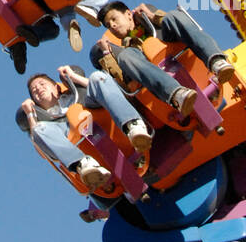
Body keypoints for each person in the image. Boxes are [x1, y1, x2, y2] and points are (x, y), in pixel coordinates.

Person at [92, 0, 235, 121]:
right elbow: (125, 83)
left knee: (173, 16)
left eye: (114, 19)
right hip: (159, 83)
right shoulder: (125, 51)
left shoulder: (150, 21)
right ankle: (176, 95)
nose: (113, 26)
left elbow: (178, 23)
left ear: (128, 14)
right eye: (109, 26)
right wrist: (107, 53)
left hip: (178, 54)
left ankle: (216, 62)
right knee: (126, 56)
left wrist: (153, 16)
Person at [18, 64, 153, 190]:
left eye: (42, 84)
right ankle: (83, 164)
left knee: (97, 77)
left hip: (104, 124)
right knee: (38, 129)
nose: (39, 89)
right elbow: (43, 150)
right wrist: (30, 114)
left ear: (56, 87)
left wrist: (73, 77)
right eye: (34, 91)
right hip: (84, 151)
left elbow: (101, 85)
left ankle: (133, 126)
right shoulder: (48, 126)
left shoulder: (76, 94)